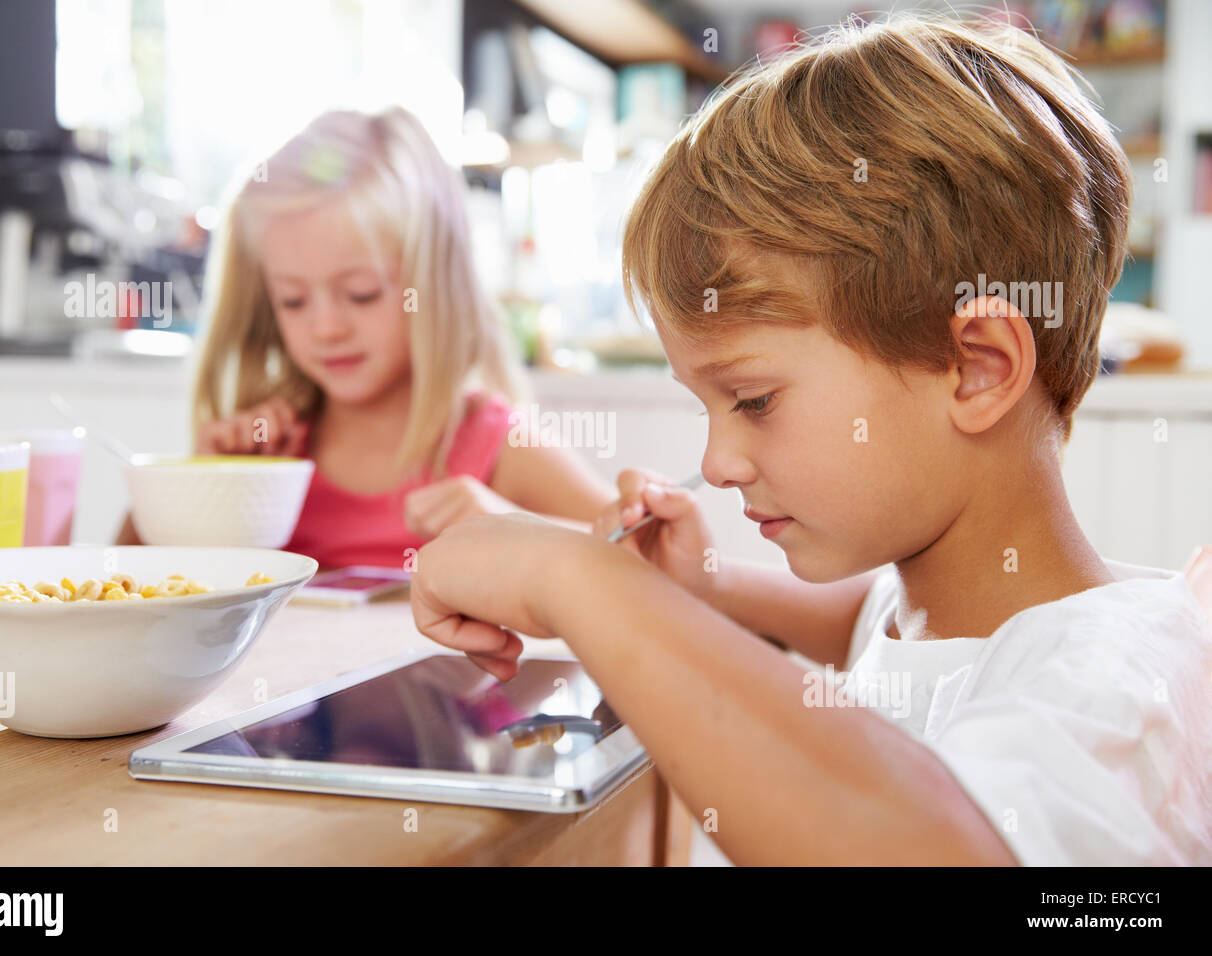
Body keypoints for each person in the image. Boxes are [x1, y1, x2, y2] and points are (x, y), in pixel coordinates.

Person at [406, 15, 1212, 865]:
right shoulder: (946, 605)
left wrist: (577, 580)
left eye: (753, 400)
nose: (717, 465)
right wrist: (704, 587)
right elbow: (861, 625)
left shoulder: (1120, 693)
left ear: (976, 370)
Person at [117, 108, 613, 567]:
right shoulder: (263, 450)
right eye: (293, 300)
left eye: (361, 294)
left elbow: (648, 567)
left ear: (432, 285)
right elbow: (121, 580)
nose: (326, 328)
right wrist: (195, 485)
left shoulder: (499, 446)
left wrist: (520, 531)